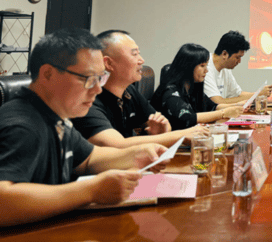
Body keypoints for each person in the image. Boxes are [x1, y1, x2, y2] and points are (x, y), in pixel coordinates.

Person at [0, 28, 167, 227]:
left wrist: (136, 155)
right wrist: (91, 190)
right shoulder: (23, 125)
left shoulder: (55, 117)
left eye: (100, 78)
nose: (97, 89)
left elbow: (89, 158)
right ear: (48, 74)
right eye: (88, 78)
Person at [72, 30, 207, 148]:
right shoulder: (89, 100)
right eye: (134, 54)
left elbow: (162, 125)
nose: (141, 60)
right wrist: (180, 135)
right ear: (108, 63)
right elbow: (116, 145)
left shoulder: (129, 91)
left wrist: (161, 131)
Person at [151, 43, 242, 130]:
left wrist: (237, 105)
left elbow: (212, 106)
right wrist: (223, 113)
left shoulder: (192, 88)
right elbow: (187, 118)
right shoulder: (170, 91)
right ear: (188, 67)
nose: (206, 70)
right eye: (202, 66)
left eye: (206, 65)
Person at [204, 31, 272, 106]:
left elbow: (238, 94)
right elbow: (217, 102)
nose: (239, 61)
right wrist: (257, 94)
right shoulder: (205, 67)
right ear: (224, 54)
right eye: (237, 57)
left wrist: (258, 93)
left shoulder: (225, 68)